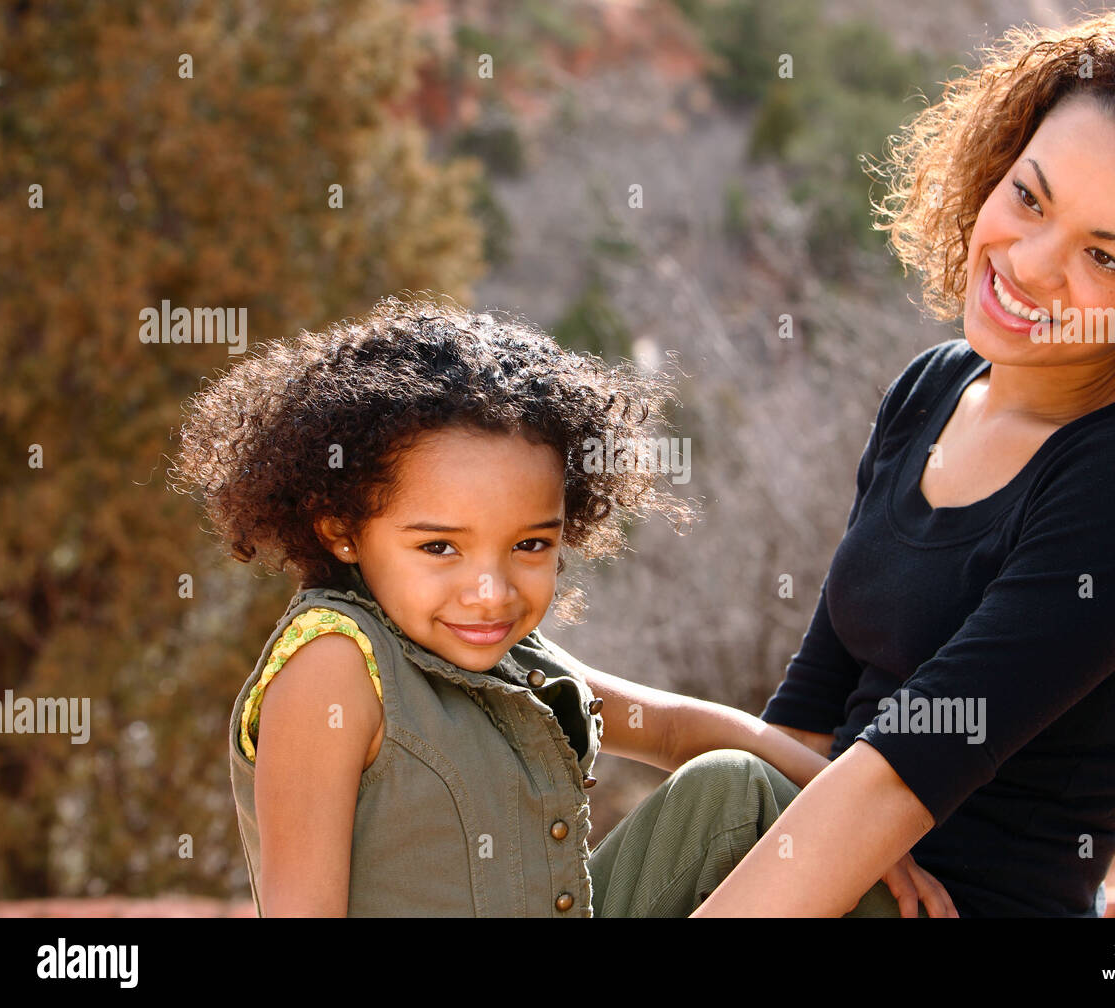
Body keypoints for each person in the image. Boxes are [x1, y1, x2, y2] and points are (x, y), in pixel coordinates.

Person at [693, 4, 1115, 917]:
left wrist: (846, 834)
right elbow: (805, 723)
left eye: (1104, 256)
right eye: (1029, 197)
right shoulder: (932, 388)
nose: (1030, 263)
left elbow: (899, 776)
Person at [172, 293, 932, 916]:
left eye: (530, 546)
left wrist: (861, 817)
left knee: (740, 790)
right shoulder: (333, 666)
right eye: (440, 548)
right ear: (341, 529)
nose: (491, 590)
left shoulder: (510, 656)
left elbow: (673, 729)